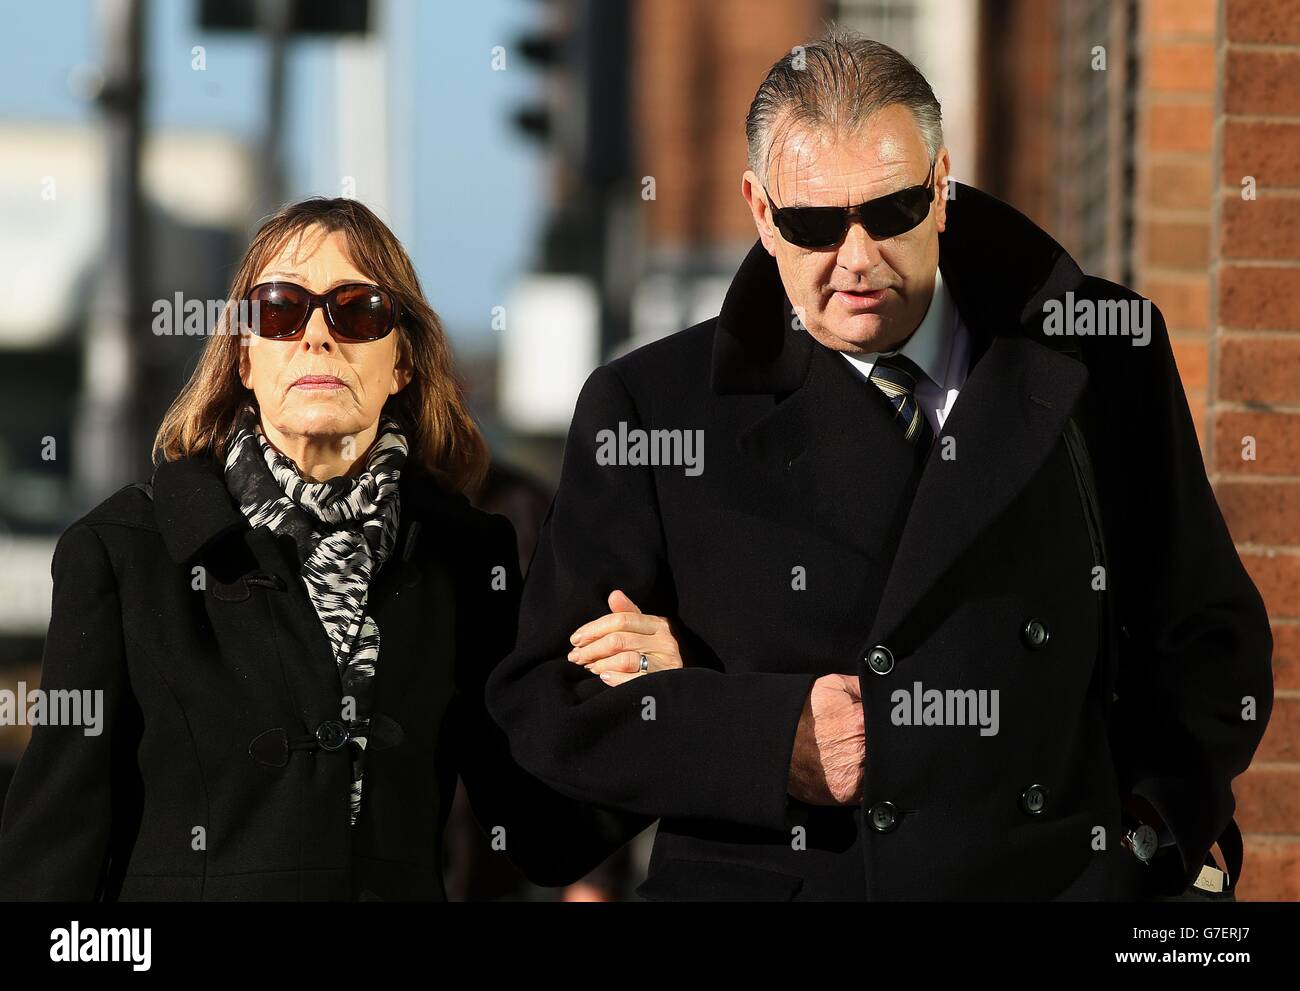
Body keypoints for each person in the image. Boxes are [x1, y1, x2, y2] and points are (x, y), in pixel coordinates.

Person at [486, 32, 1274, 900]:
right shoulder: (656, 409)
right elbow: (547, 707)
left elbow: (1208, 638)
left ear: (940, 190)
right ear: (760, 211)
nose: (857, 259)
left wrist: (1147, 836)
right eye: (815, 224)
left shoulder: (1095, 354)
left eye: (891, 212)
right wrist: (761, 732)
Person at [0, 197, 634, 901]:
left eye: (357, 311)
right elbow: (52, 863)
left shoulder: (464, 555)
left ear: (403, 361)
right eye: (279, 310)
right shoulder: (123, 554)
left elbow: (543, 831)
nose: (316, 338)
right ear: (243, 355)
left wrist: (654, 702)